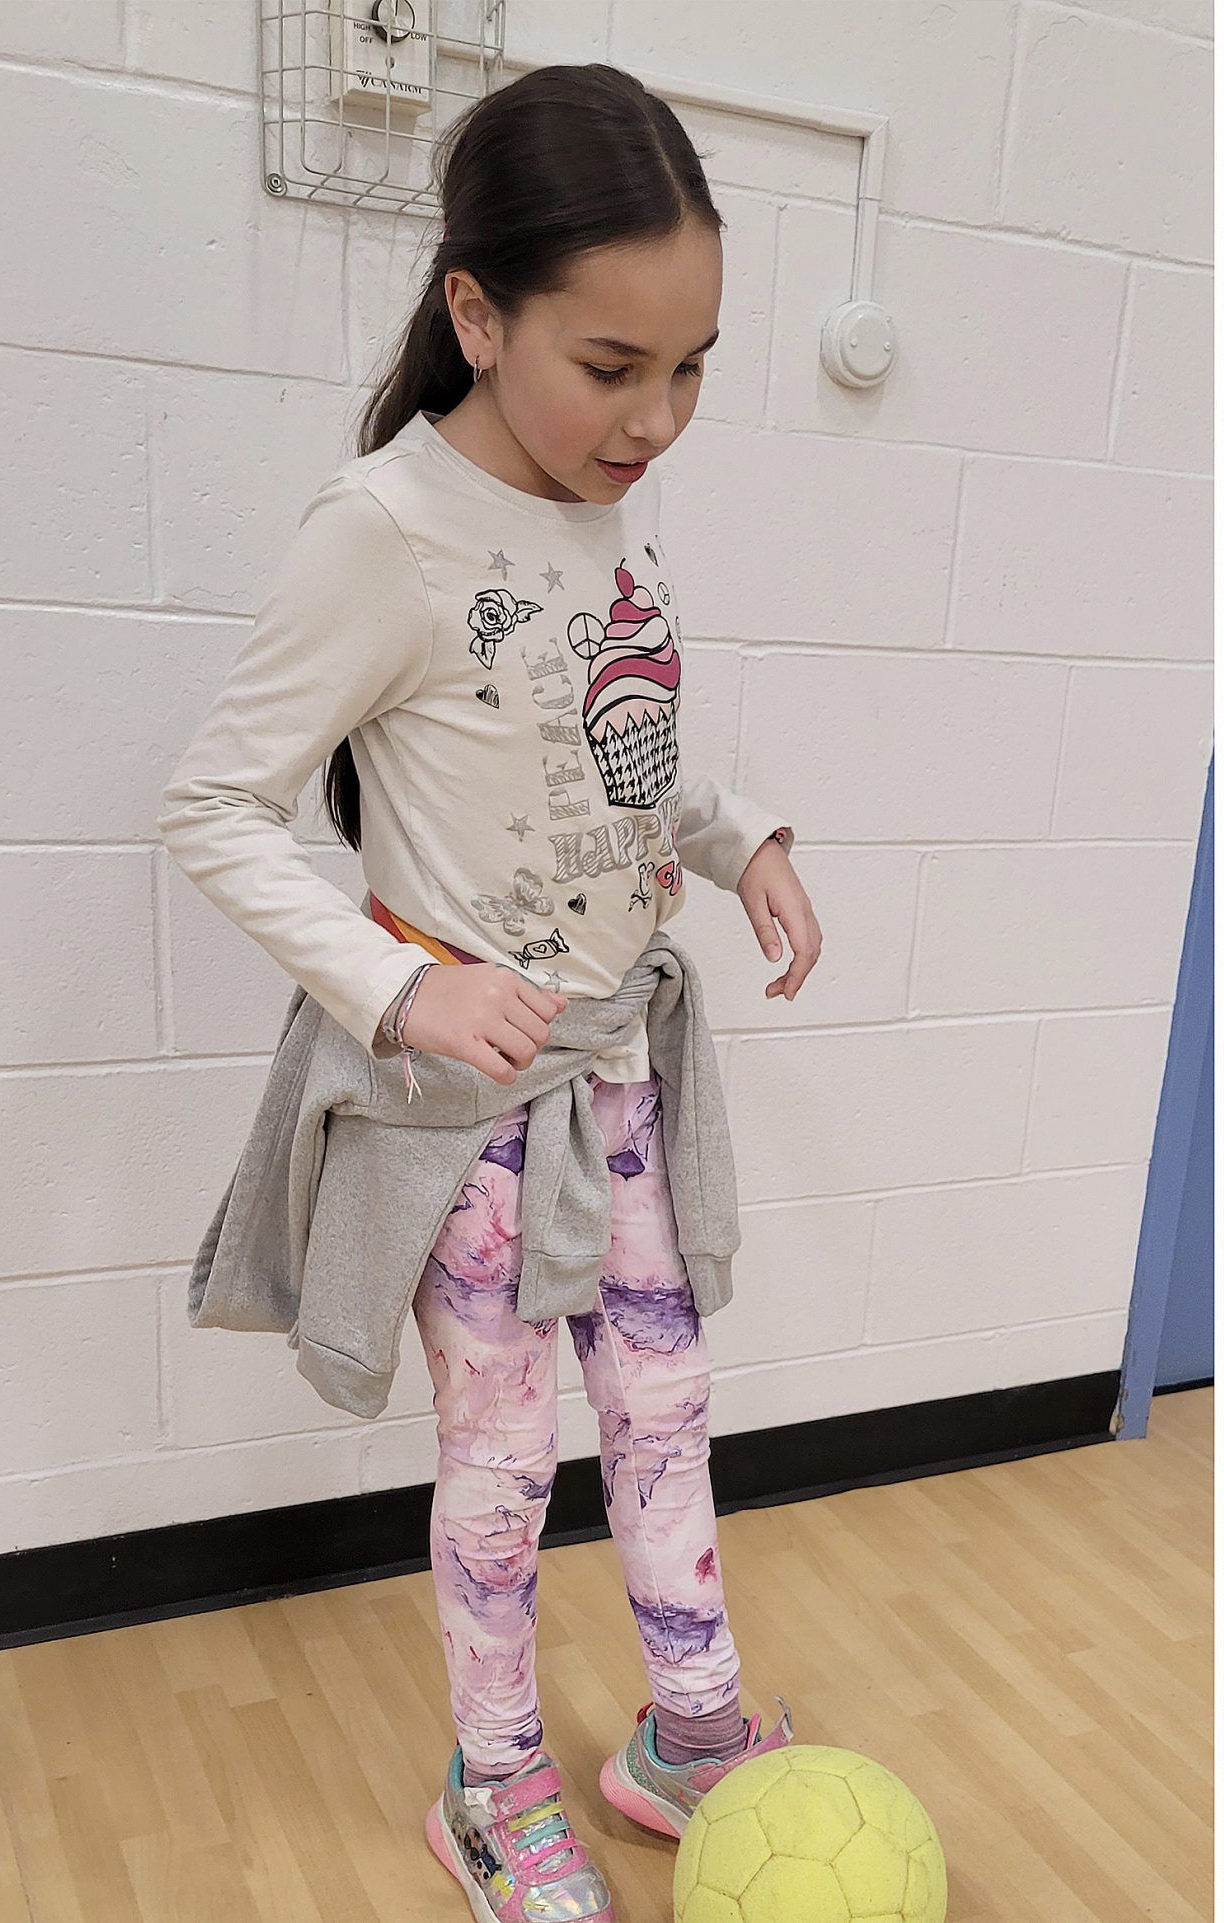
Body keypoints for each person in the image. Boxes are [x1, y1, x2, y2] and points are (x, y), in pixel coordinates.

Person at [158, 64, 826, 1920]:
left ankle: (688, 1733)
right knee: (508, 1460)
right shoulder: (383, 530)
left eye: (690, 369)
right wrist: (397, 993)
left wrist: (743, 838)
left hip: (615, 1079)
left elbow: (619, 752)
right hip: (469, 1123)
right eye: (612, 367)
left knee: (669, 1403)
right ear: (476, 312)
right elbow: (213, 807)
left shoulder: (611, 510)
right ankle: (498, 1784)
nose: (657, 418)